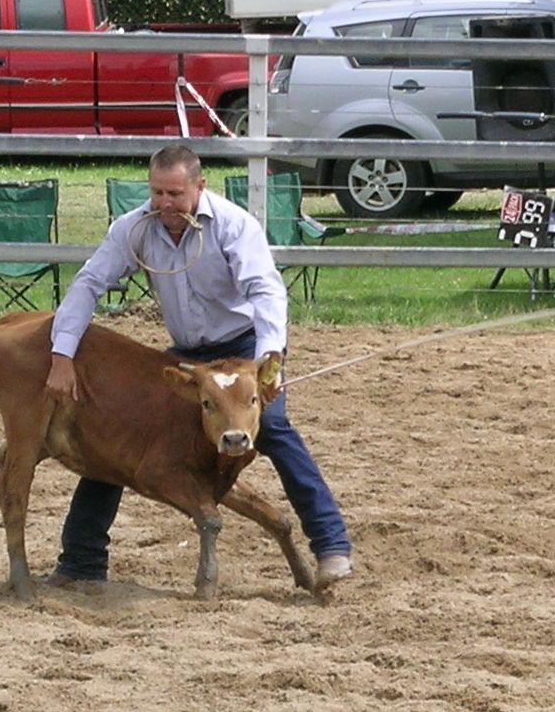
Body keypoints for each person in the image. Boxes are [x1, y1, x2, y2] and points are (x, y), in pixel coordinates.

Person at [43, 144, 354, 589]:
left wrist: (271, 362)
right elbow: (90, 282)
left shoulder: (233, 226)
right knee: (119, 435)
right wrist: (62, 352)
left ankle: (331, 546)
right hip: (187, 355)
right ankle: (80, 560)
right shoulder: (133, 230)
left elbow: (266, 292)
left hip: (243, 350)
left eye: (174, 193)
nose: (165, 204)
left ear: (198, 187)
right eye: (157, 194)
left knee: (278, 433)